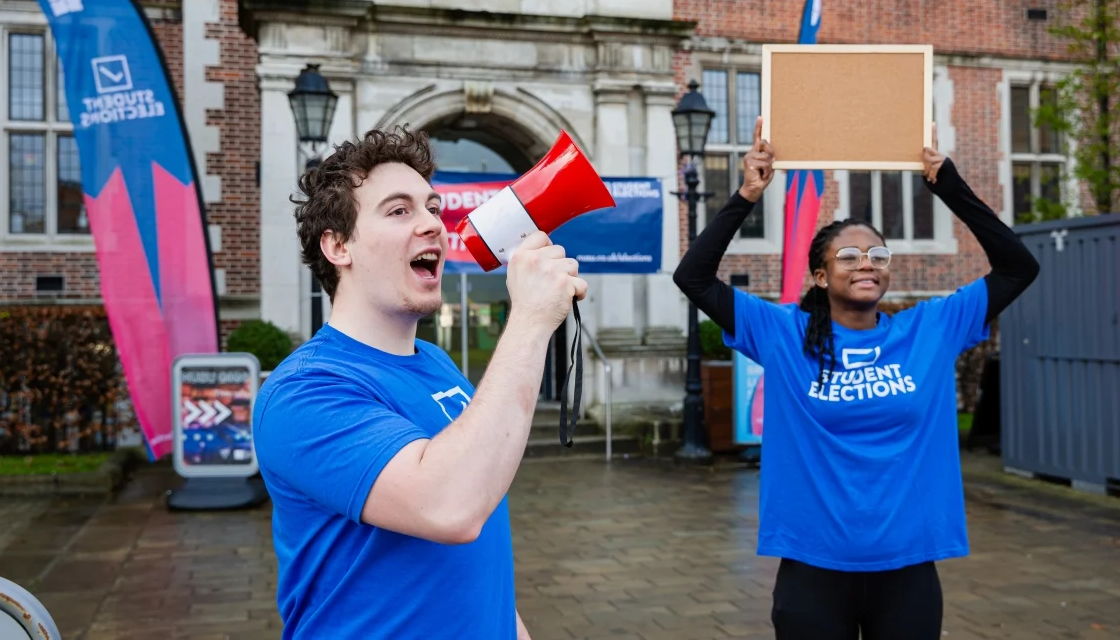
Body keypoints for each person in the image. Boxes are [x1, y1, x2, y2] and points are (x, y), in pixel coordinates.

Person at [673, 118, 1040, 639]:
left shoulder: (930, 329)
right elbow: (692, 277)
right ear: (821, 276)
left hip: (907, 566)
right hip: (813, 567)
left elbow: (1018, 268)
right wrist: (746, 195)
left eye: (877, 256)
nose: (866, 264)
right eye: (848, 256)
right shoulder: (782, 333)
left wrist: (949, 187)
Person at [252, 126, 587, 639]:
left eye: (432, 207)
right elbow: (450, 506)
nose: (432, 223)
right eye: (399, 211)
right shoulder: (302, 392)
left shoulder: (434, 361)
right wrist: (531, 319)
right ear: (338, 245)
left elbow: (478, 556)